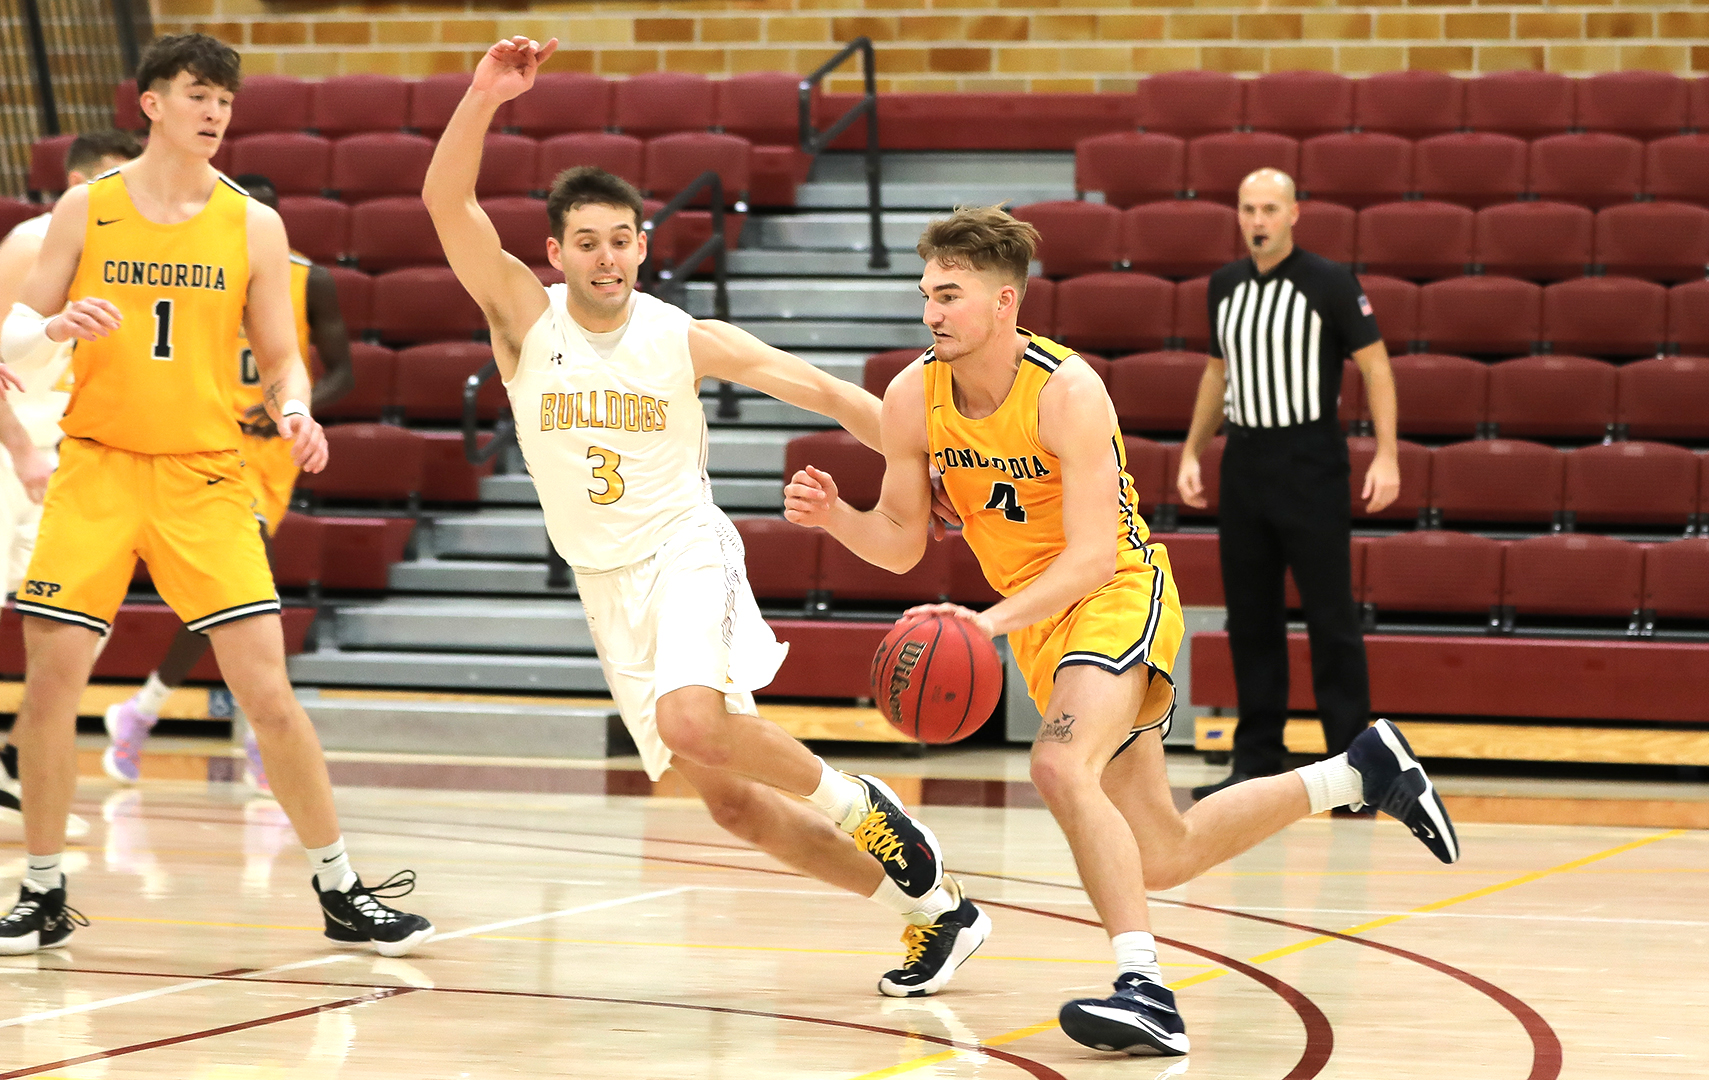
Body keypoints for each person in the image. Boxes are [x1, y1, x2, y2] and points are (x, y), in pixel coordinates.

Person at [784, 205, 1459, 1057]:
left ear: (1003, 303)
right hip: (1036, 622)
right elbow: (902, 541)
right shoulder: (915, 394)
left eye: (949, 296)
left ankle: (1146, 988)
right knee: (1163, 850)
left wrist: (982, 622)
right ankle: (1357, 773)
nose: (931, 313)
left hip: (1116, 594)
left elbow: (1093, 558)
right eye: (926, 294)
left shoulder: (1067, 390)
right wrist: (840, 516)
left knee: (1059, 764)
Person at [423, 37, 986, 997]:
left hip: (685, 549)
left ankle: (871, 808)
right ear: (556, 254)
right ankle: (936, 914)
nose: (607, 257)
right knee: (734, 809)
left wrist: (917, 456)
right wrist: (483, 96)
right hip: (604, 586)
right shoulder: (526, 317)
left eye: (622, 239)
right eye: (587, 242)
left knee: (694, 715)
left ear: (644, 246)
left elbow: (820, 390)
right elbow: (447, 204)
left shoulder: (680, 337)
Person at [0, 32, 431, 956]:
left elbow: (281, 357)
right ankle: (40, 891)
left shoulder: (253, 223)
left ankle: (340, 886)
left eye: (225, 103)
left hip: (203, 475)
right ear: (150, 103)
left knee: (267, 691)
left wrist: (299, 410)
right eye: (197, 95)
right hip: (98, 466)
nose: (214, 114)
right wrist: (53, 328)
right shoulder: (87, 209)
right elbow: (13, 338)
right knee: (50, 684)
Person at [101, 172, 356, 795]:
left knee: (233, 594)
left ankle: (147, 712)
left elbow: (342, 374)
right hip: (201, 441)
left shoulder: (305, 279)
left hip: (270, 453)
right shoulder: (192, 270)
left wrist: (293, 409)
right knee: (236, 591)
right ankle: (240, 731)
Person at [1176, 168, 1401, 801]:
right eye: (1248, 209)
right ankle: (1257, 759)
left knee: (1330, 617)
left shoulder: (1329, 281)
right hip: (1245, 459)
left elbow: (1377, 368)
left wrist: (1387, 454)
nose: (1258, 220)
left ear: (1294, 213)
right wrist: (1194, 450)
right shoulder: (1224, 286)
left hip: (1311, 459)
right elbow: (1216, 375)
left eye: (1270, 209)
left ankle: (1355, 770)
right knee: (1252, 617)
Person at [0, 130, 142, 839]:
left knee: (76, 622)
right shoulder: (30, 245)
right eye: (116, 180)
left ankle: (18, 764)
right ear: (81, 183)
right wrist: (22, 448)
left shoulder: (122, 251)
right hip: (13, 448)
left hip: (77, 449)